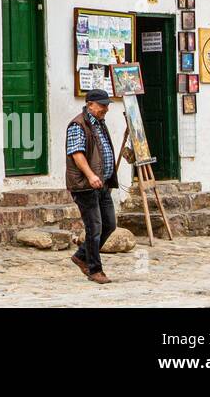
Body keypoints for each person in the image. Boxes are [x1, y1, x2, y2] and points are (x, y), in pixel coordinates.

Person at [66, 88, 121, 284]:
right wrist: (90, 176)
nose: (106, 108)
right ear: (90, 105)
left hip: (102, 184)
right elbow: (77, 153)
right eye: (102, 105)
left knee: (109, 224)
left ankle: (81, 256)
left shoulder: (99, 123)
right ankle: (94, 269)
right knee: (94, 227)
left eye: (107, 105)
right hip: (86, 185)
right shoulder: (78, 125)